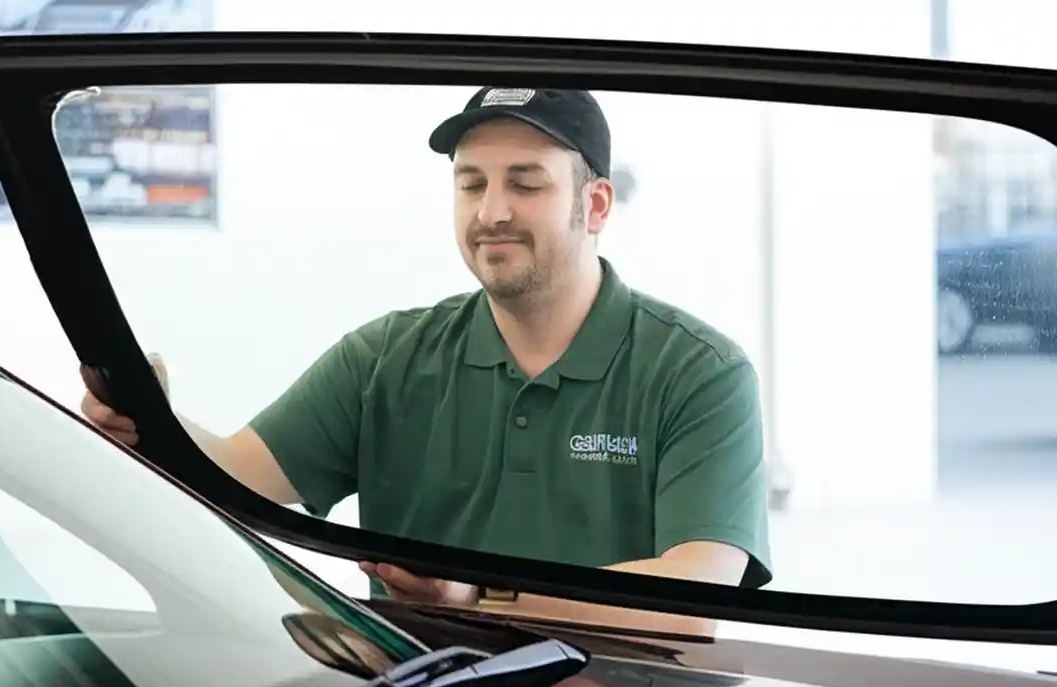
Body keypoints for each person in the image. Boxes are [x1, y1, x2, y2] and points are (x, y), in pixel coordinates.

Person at [82, 86, 772, 636]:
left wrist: (484, 598)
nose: (491, 211)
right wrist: (153, 422)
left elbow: (694, 594)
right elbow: (237, 477)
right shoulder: (385, 358)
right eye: (472, 185)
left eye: (525, 185)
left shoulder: (698, 373)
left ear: (593, 205)